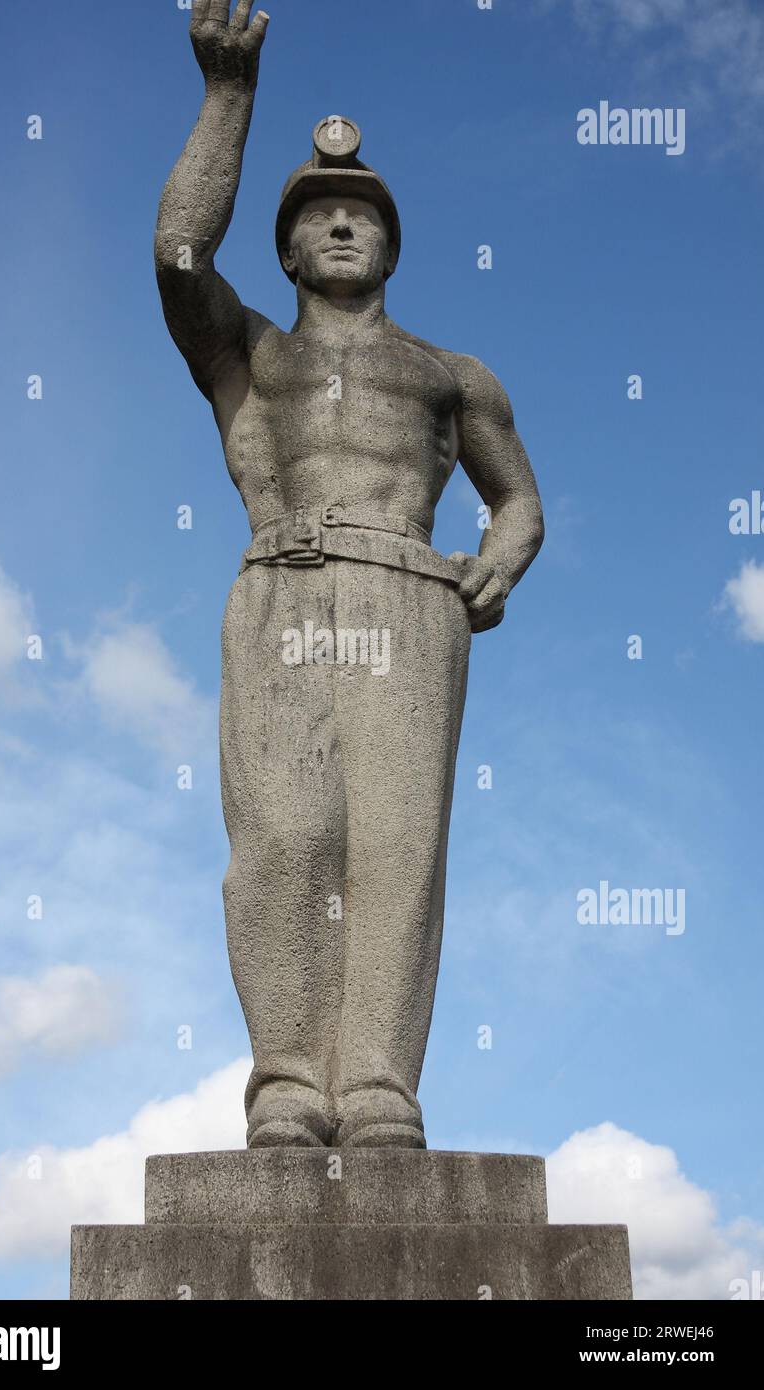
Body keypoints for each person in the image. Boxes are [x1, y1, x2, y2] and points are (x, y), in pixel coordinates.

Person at [155, 0, 544, 1149]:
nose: (339, 226)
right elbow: (178, 251)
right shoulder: (252, 357)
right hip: (284, 581)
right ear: (287, 248)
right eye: (318, 215)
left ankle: (377, 1087)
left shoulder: (448, 374)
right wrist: (228, 99)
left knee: (396, 849)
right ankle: (288, 1084)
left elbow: (517, 494)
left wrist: (498, 566)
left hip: (406, 598)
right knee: (283, 837)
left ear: (389, 245)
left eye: (359, 215)